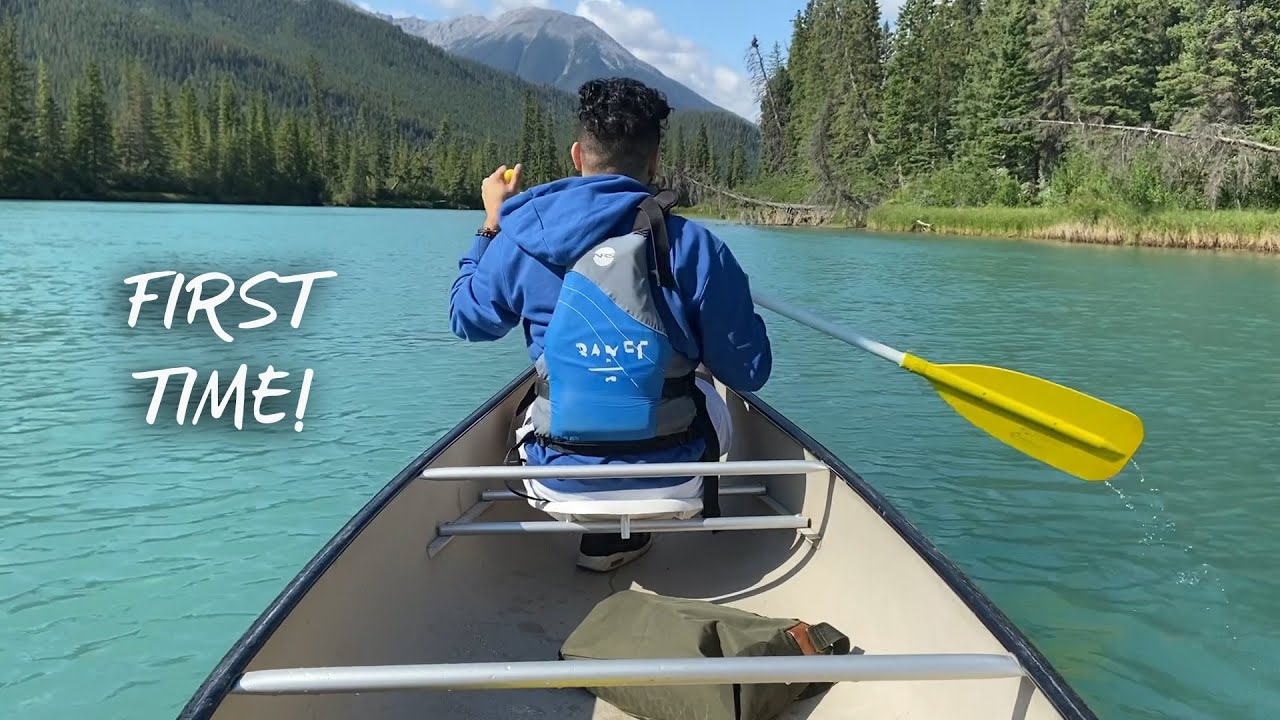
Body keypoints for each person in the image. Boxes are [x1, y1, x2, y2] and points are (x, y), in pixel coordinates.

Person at [448, 77, 772, 572]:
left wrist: (491, 224)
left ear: (578, 155)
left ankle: (604, 534)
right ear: (654, 161)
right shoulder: (697, 246)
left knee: (532, 398)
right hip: (677, 477)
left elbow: (467, 320)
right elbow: (750, 371)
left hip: (555, 479)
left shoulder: (518, 238)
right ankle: (629, 530)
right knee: (702, 378)